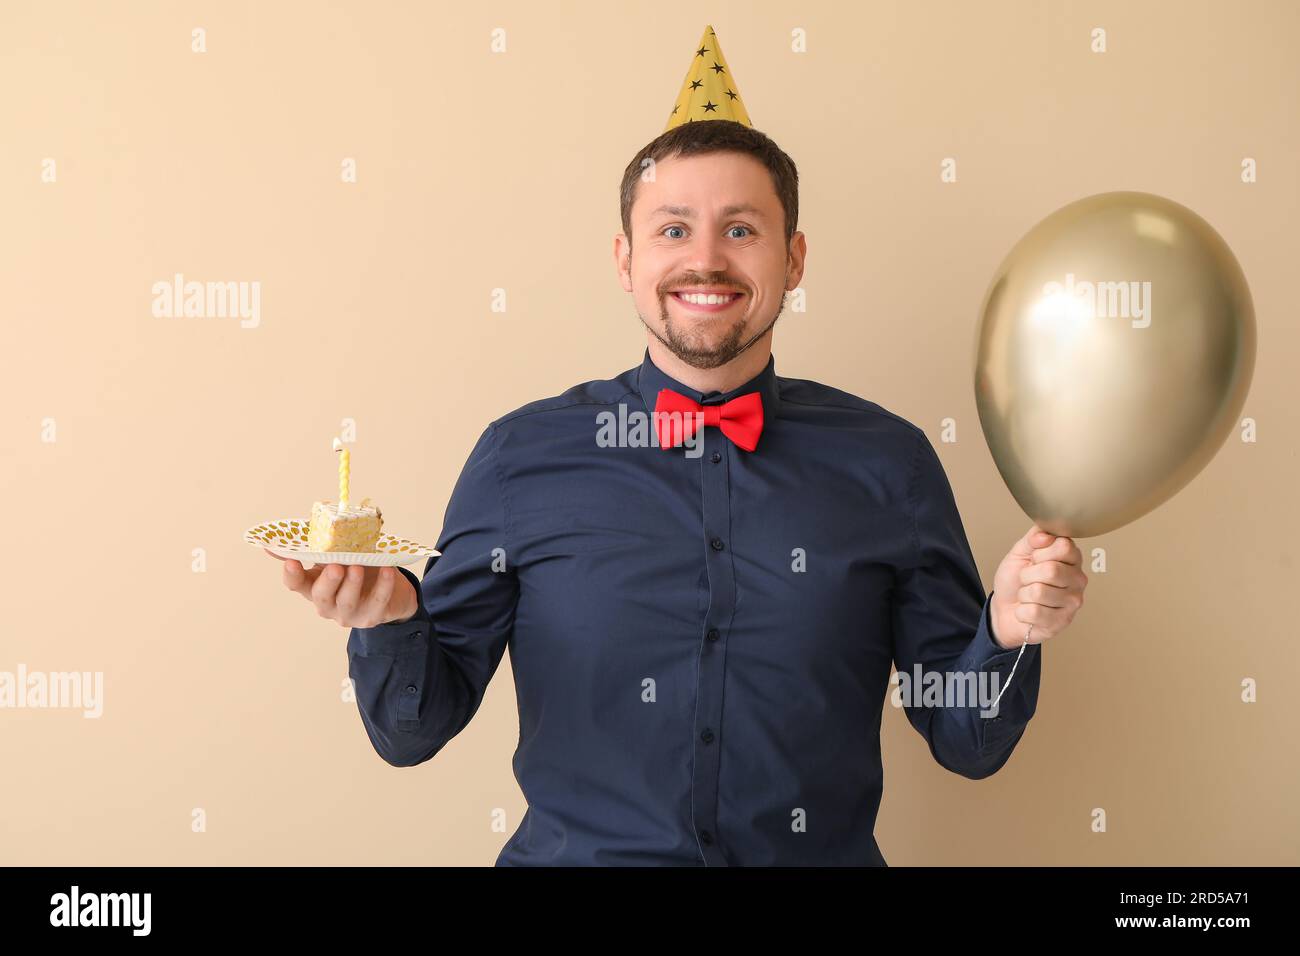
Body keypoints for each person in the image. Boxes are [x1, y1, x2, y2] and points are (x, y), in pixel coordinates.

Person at [268, 35, 1087, 866]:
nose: (704, 259)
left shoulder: (893, 464)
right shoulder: (520, 458)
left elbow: (966, 743)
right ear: (625, 261)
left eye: (741, 229)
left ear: (794, 259)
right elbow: (414, 732)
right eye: (671, 229)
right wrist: (393, 622)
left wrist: (1008, 633)